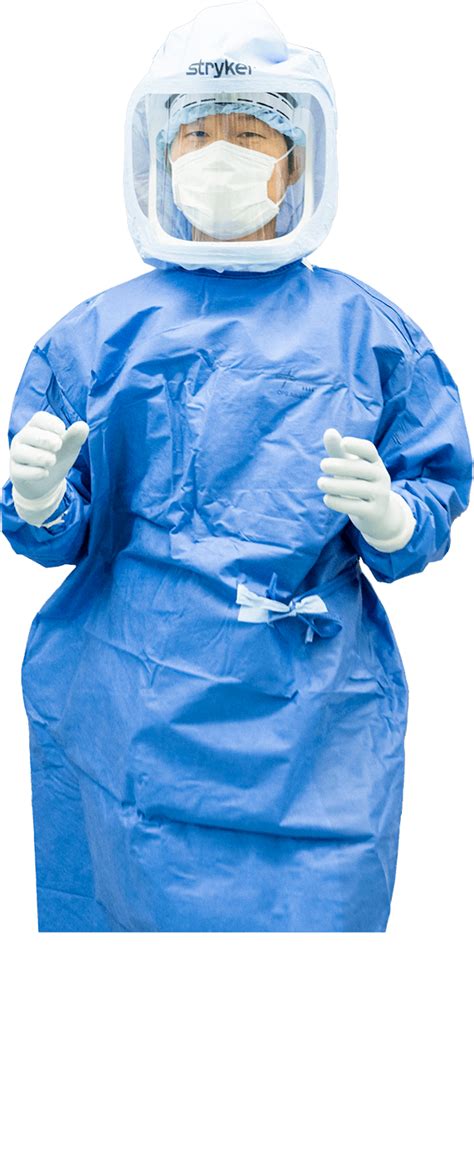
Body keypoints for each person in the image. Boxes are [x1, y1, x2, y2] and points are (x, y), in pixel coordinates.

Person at [2, 1, 471, 932]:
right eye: (198, 134)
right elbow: (56, 532)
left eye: (250, 133)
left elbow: (432, 489)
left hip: (310, 733)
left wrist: (393, 517)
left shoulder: (369, 334)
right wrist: (42, 497)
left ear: (294, 162)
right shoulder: (94, 336)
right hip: (131, 720)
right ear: (162, 158)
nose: (220, 155)